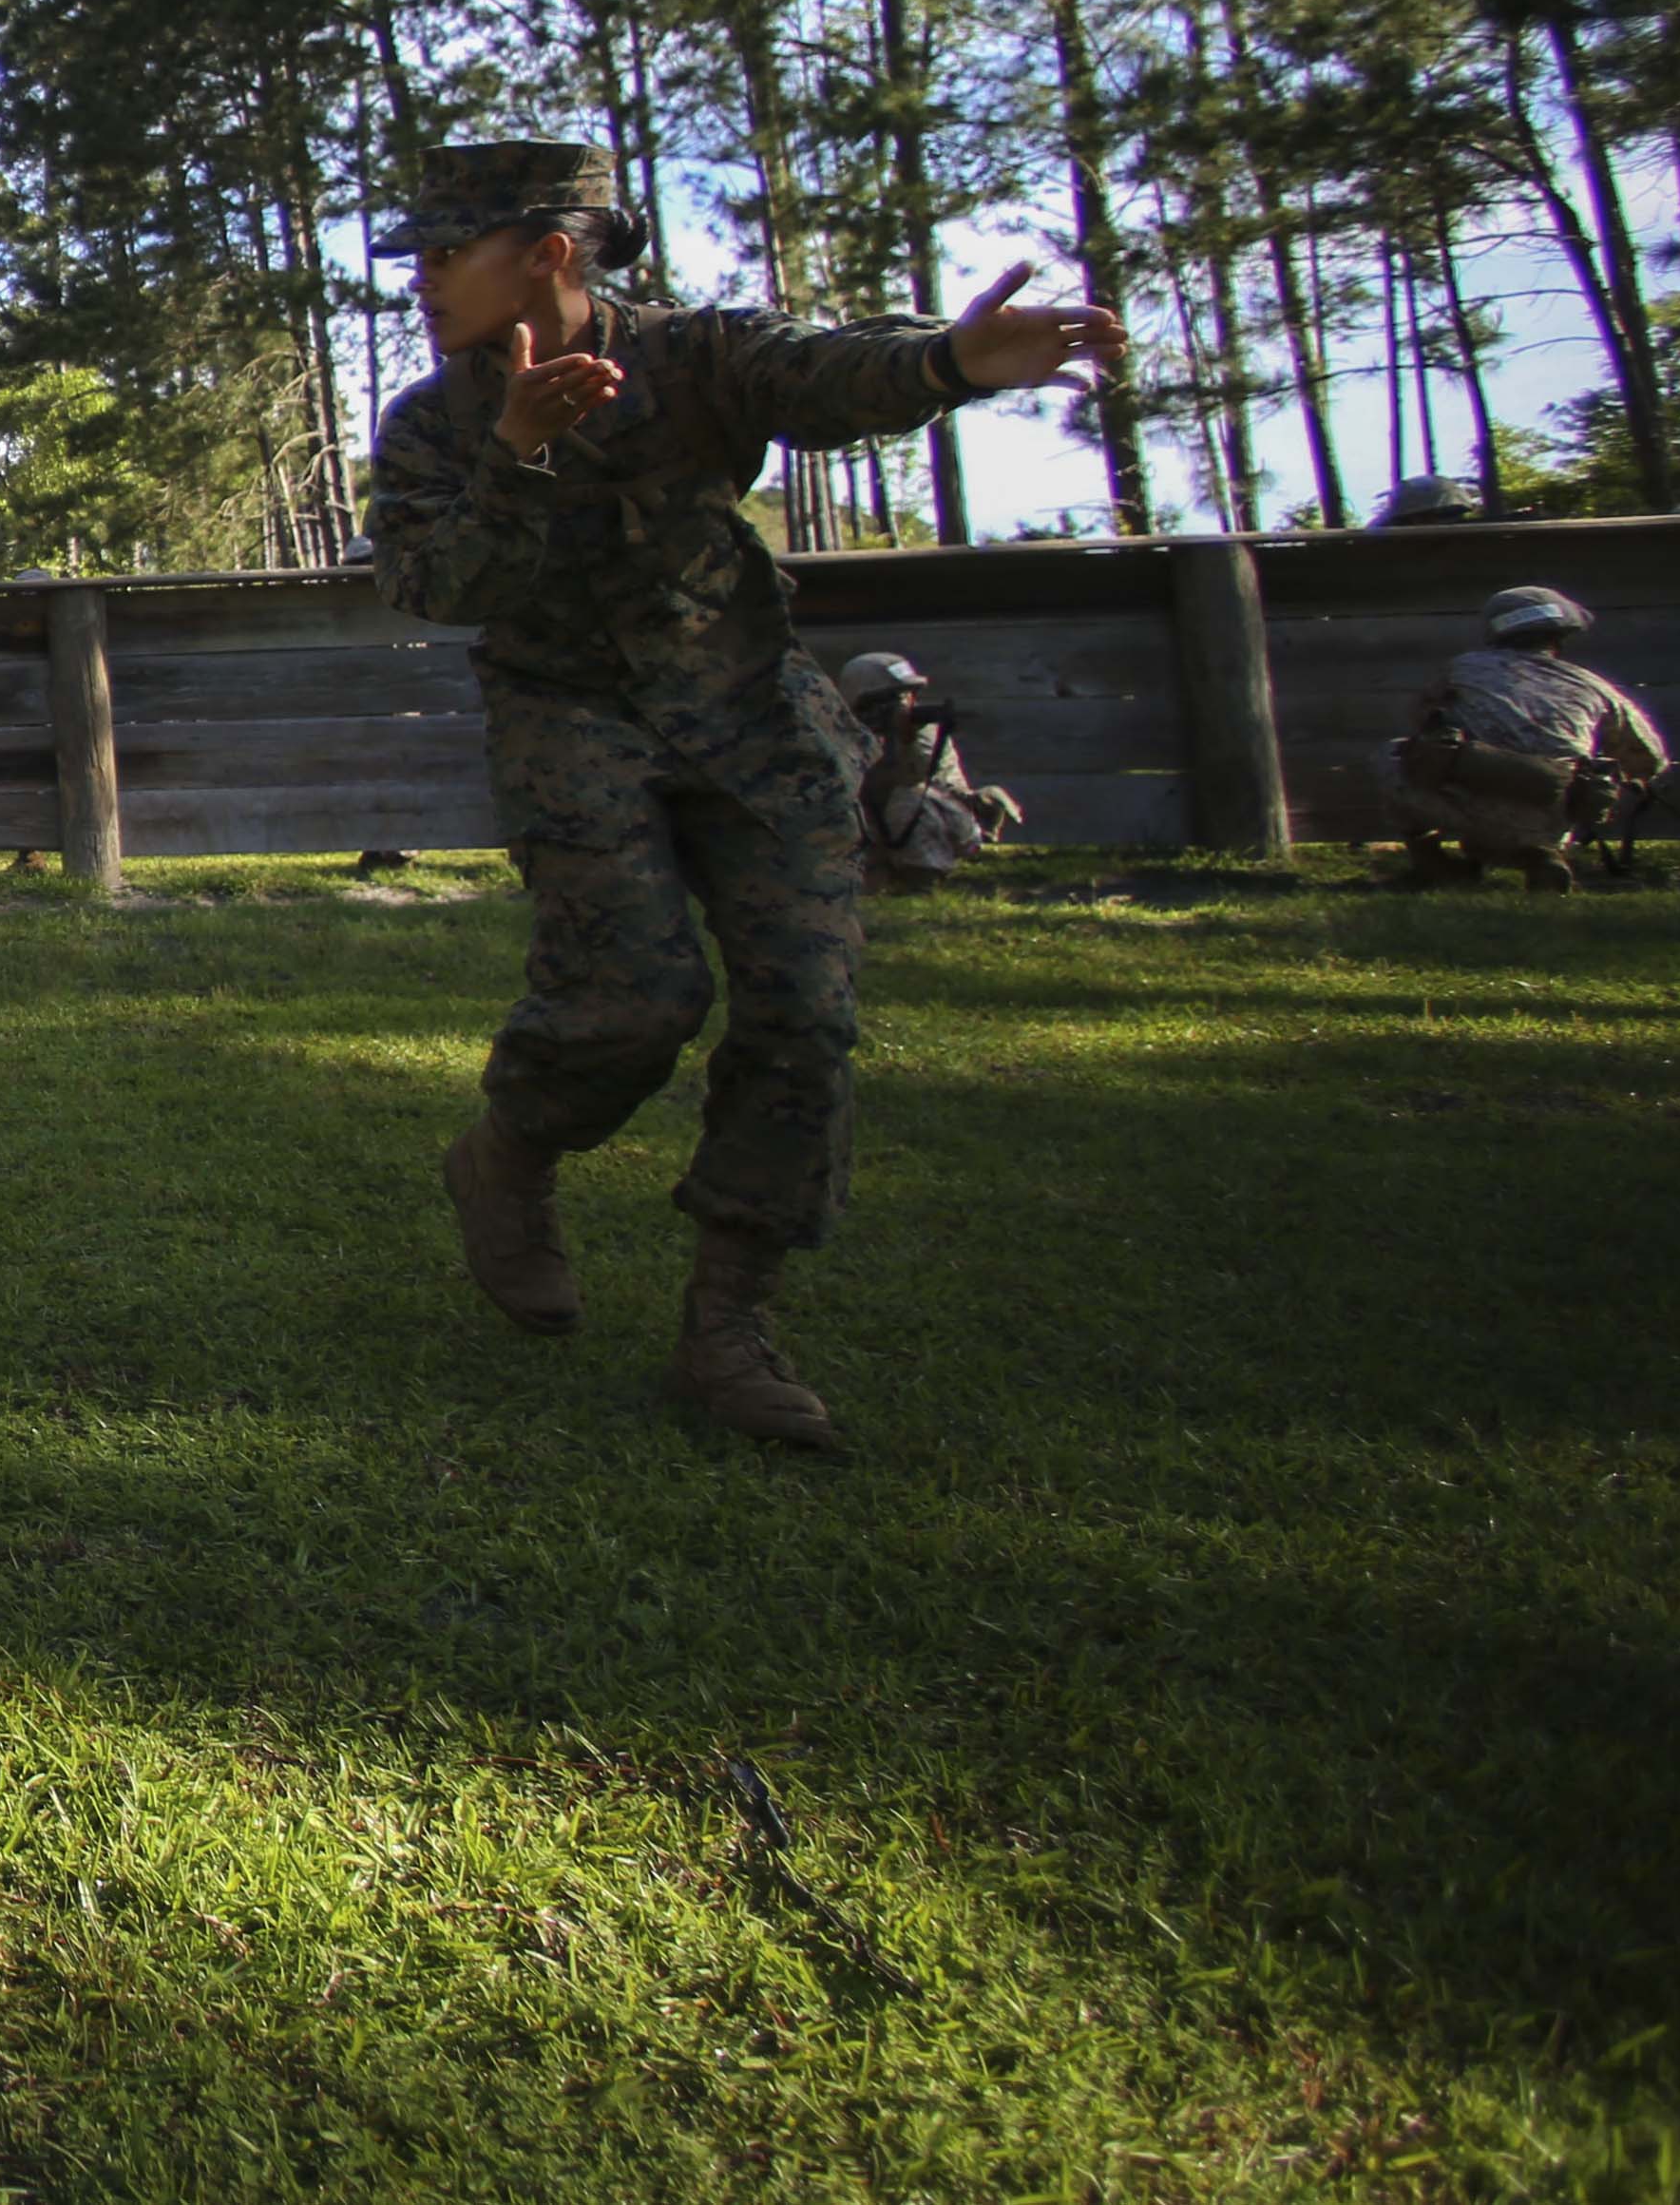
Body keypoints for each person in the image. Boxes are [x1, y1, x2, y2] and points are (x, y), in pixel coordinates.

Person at [365, 142, 1127, 1452]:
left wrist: (949, 364)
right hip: (572, 720)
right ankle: (510, 1150)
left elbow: (831, 370)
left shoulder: (696, 354)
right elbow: (443, 588)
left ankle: (729, 1326)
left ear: (546, 250)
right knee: (632, 997)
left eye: (445, 253)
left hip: (755, 717)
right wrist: (519, 453)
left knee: (803, 1015)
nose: (422, 283)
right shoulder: (437, 421)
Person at [1387, 585, 1670, 891]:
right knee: (1566, 793)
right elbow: (1650, 758)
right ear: (1560, 636)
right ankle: (1542, 857)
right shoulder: (1594, 687)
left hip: (1468, 804)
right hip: (1554, 813)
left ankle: (1432, 863)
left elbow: (1421, 721)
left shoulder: (1463, 670)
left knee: (1393, 757)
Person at [839, 652, 1019, 892]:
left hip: (941, 818)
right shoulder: (841, 731)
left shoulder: (922, 732)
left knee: (908, 796)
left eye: (907, 696)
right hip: (877, 822)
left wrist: (906, 739)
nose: (904, 704)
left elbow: (914, 777)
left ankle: (922, 878)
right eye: (890, 700)